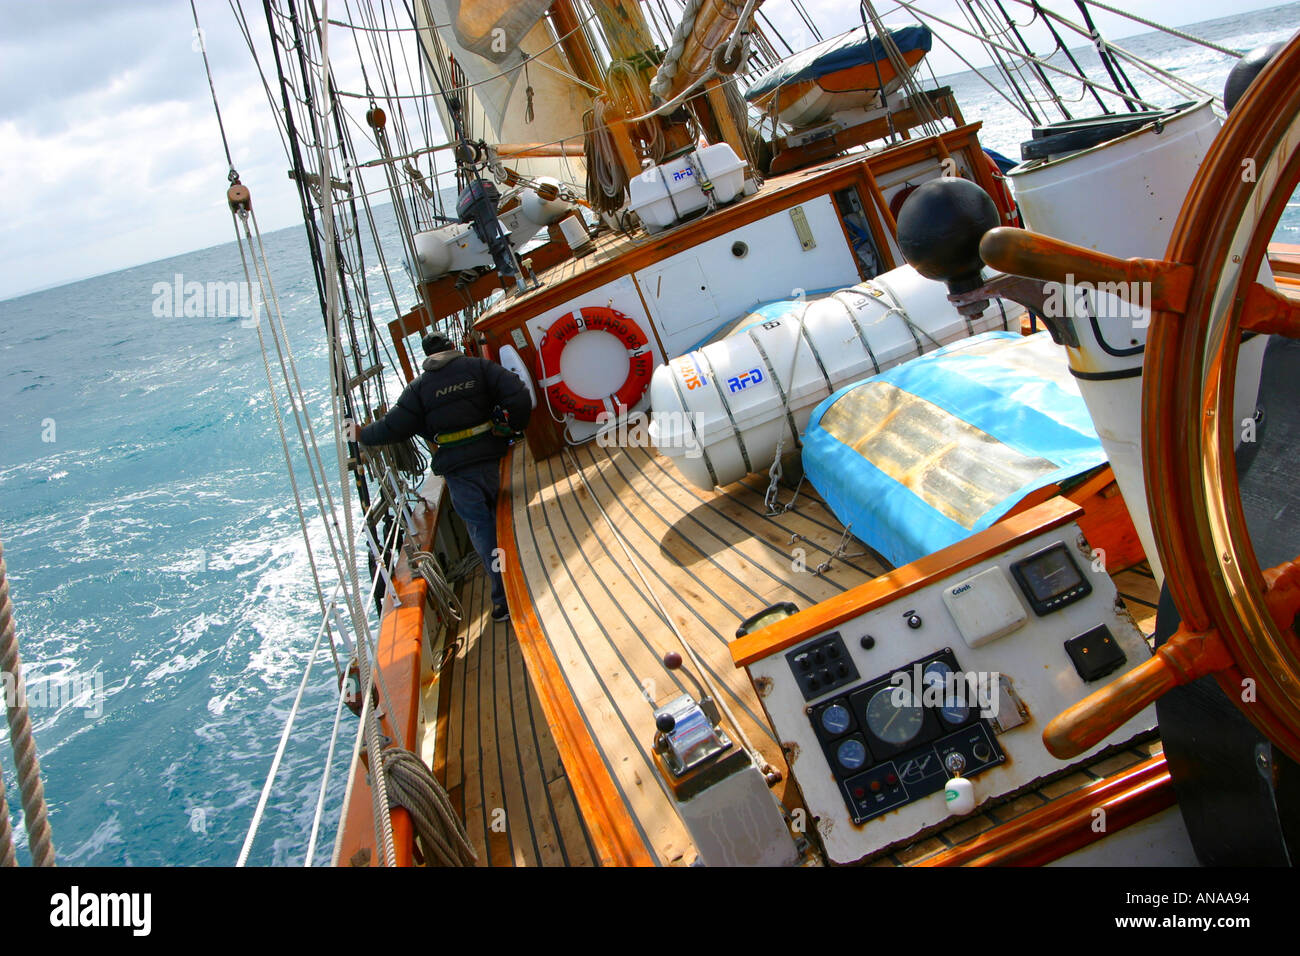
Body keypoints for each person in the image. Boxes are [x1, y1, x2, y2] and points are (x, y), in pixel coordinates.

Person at [352, 331, 530, 622]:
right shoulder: (479, 368)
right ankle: (530, 574)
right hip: (493, 458)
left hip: (459, 472)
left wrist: (358, 433)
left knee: (483, 531)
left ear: (427, 357)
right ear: (452, 348)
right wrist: (514, 427)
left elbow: (390, 428)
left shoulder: (419, 389)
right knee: (507, 513)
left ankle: (505, 598)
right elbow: (518, 394)